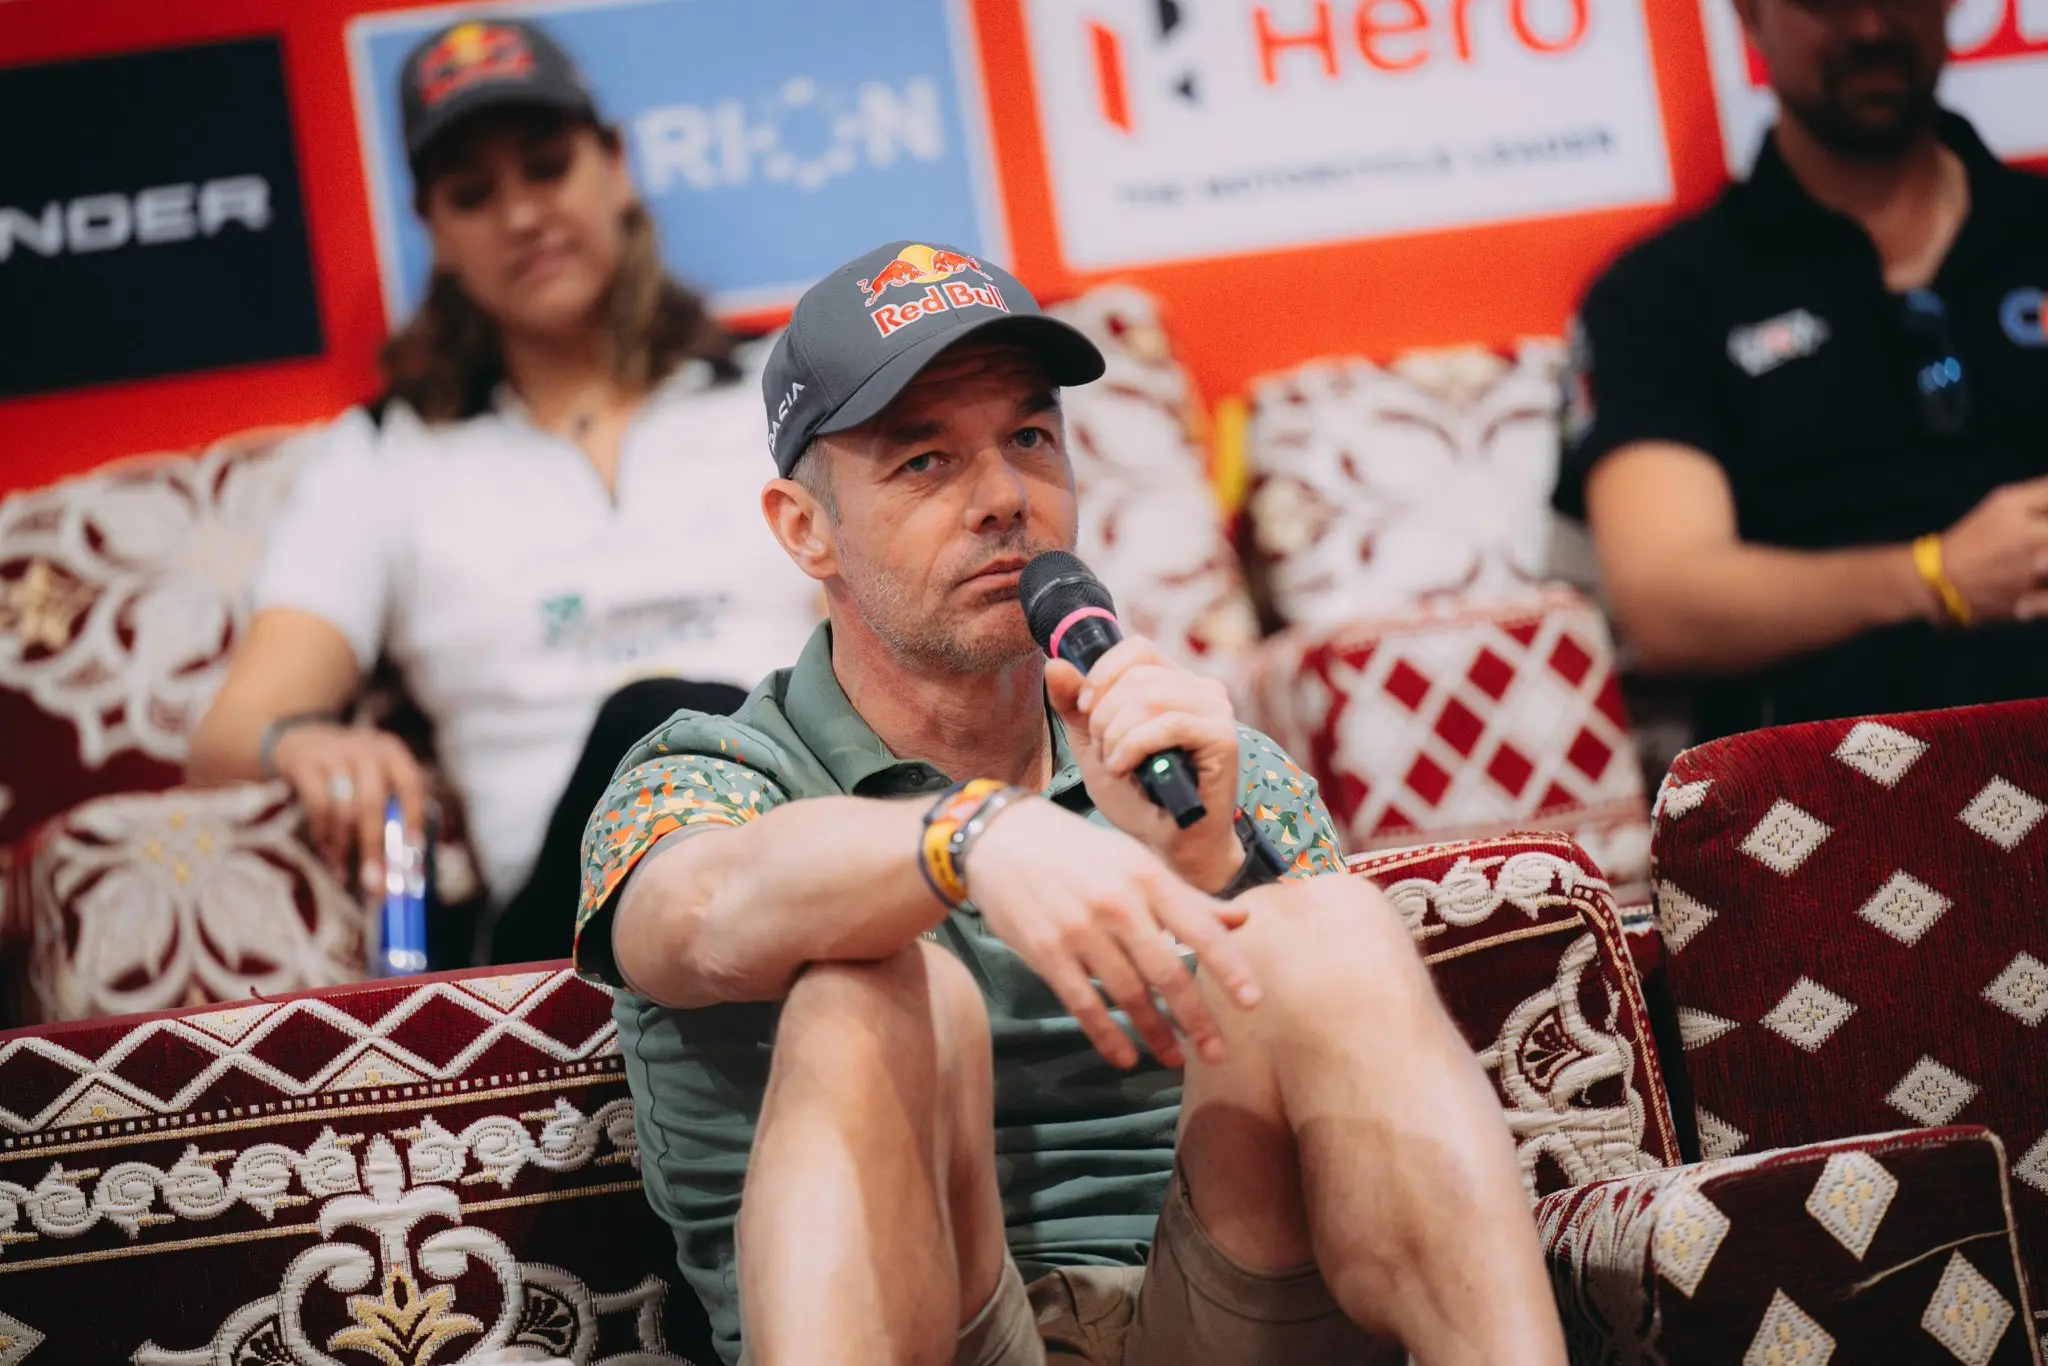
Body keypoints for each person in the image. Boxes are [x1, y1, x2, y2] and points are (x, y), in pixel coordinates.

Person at [573, 241, 1566, 1366]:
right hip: (934, 1335)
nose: (1004, 499)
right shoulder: (702, 773)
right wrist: (967, 836)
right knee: (873, 989)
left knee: (1320, 925)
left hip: (1206, 1313)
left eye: (1029, 440)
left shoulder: (1193, 759)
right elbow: (698, 916)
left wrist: (1206, 866)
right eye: (924, 462)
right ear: (805, 528)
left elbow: (1344, 1082)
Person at [188, 18, 817, 963]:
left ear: (616, 166)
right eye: (473, 194)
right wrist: (305, 743)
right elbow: (228, 737)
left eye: (547, 167)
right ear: (434, 231)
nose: (522, 216)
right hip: (571, 916)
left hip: (810, 817)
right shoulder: (386, 455)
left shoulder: (776, 390)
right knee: (662, 719)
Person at [1556, 0, 2048, 741]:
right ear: (1750, 19)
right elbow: (1664, 605)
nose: (1871, 28)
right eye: (1826, 3)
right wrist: (1934, 575)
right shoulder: (1660, 294)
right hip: (1821, 771)